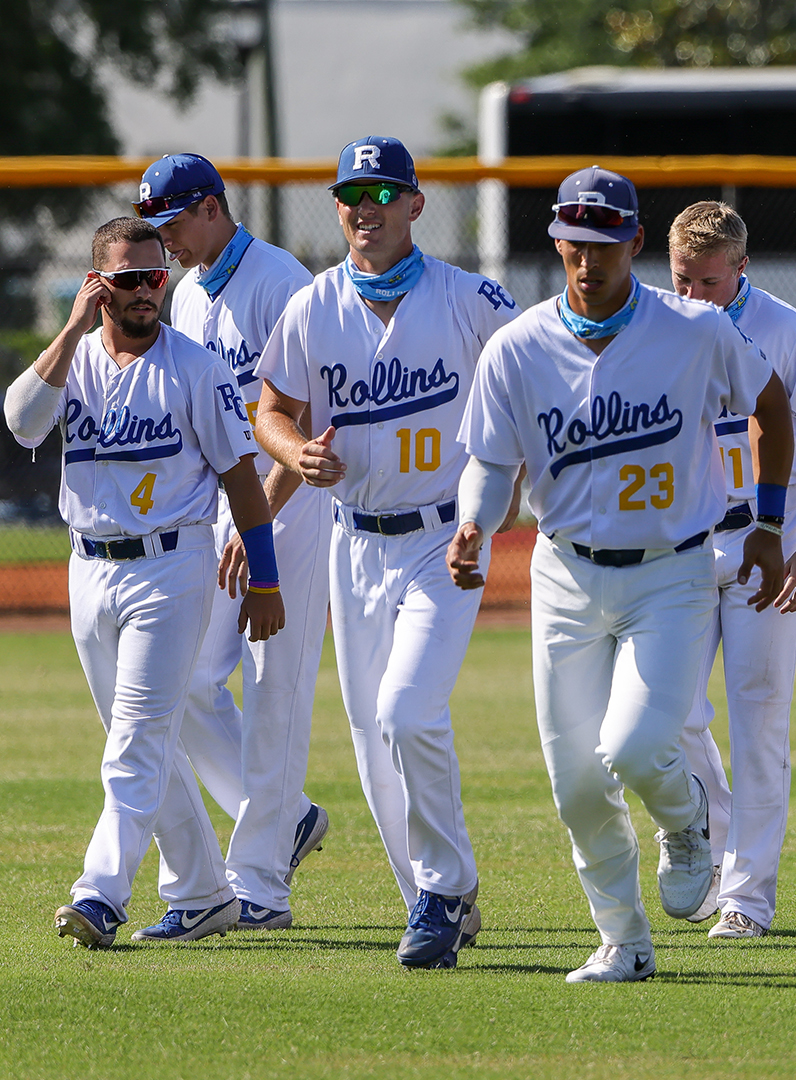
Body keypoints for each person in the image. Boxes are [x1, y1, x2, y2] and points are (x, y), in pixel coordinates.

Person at [448, 167, 794, 982]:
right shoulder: (519, 344)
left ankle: (688, 823)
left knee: (635, 746)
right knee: (573, 781)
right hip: (564, 573)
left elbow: (773, 411)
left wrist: (772, 523)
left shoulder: (696, 329)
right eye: (574, 241)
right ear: (557, 242)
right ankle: (623, 939)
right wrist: (473, 521)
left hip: (671, 573)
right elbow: (491, 462)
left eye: (605, 242)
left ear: (635, 243)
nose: (587, 258)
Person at [255, 136, 517, 969]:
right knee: (373, 741)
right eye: (349, 194)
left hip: (446, 537)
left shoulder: (470, 298)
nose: (363, 208)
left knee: (408, 711)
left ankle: (444, 888)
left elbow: (537, 382)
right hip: (353, 542)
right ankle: (436, 903)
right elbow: (272, 409)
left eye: (381, 192)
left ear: (415, 203)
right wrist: (295, 456)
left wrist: (502, 499)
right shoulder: (313, 304)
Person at [6, 217, 283, 948]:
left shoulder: (195, 367)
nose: (145, 292)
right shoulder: (74, 364)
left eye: (155, 276)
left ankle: (99, 894)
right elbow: (21, 421)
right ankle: (201, 894)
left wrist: (266, 577)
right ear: (98, 285)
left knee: (133, 743)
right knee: (141, 742)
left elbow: (242, 479)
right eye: (127, 279)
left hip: (171, 565)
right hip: (87, 567)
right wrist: (68, 332)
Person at [140, 153, 331, 933]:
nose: (167, 241)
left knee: (273, 687)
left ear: (213, 206)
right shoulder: (185, 295)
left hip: (289, 505)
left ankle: (260, 886)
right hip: (221, 510)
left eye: (174, 222)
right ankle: (286, 819)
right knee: (184, 681)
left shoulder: (279, 282)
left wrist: (263, 525)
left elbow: (310, 420)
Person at [666, 200, 796, 939]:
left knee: (758, 721)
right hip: (682, 547)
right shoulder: (659, 324)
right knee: (668, 715)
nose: (692, 296)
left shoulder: (787, 330)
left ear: (742, 269)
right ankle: (715, 834)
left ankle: (748, 899)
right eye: (682, 278)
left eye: (709, 282)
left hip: (769, 542)